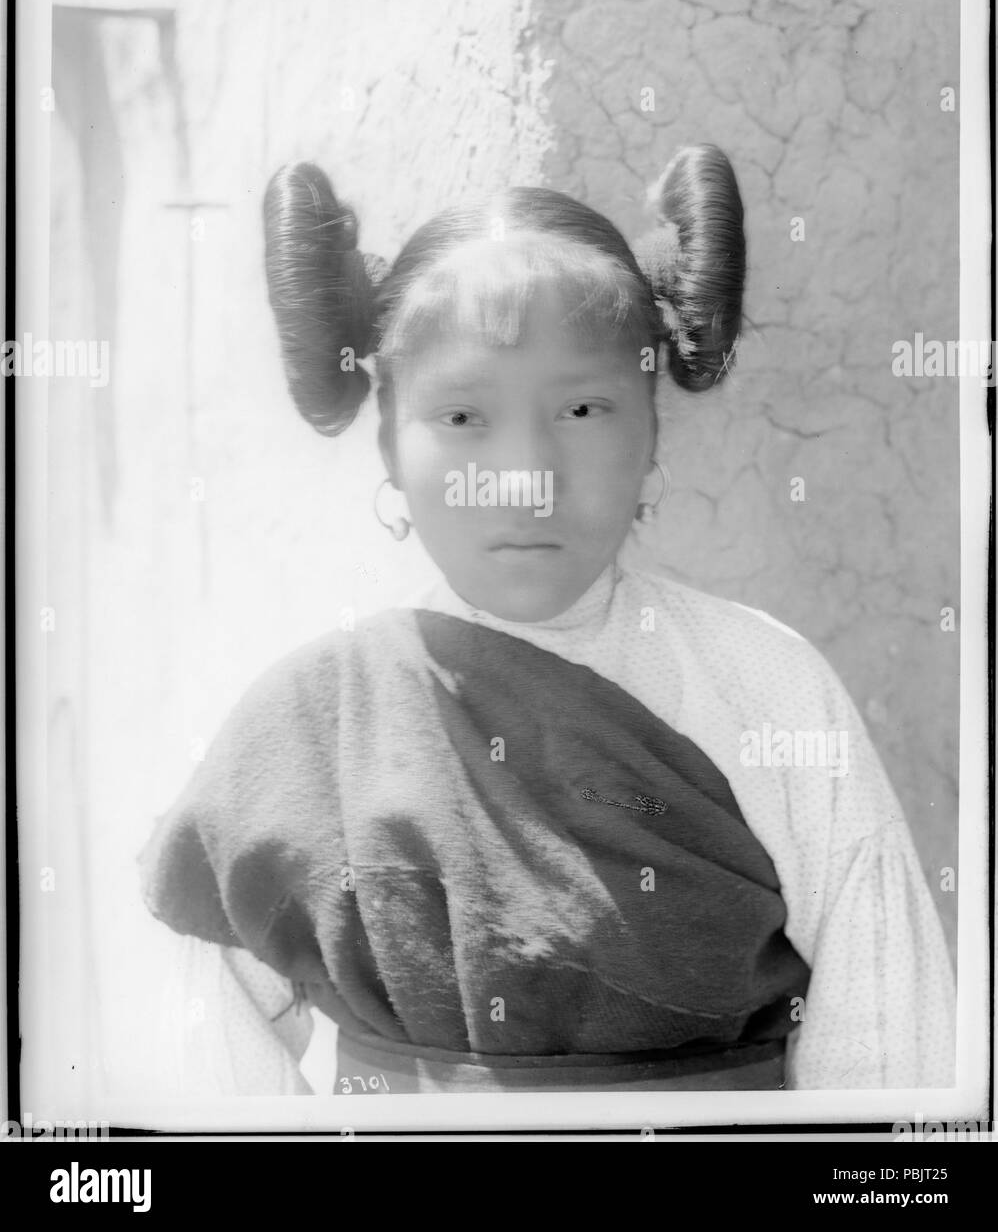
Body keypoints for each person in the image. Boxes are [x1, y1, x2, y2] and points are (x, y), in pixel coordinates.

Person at [140, 147, 955, 1095]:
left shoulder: (769, 689)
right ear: (390, 452)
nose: (523, 476)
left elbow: (888, 1054)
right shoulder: (309, 723)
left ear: (651, 431)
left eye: (581, 407)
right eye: (461, 418)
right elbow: (209, 1071)